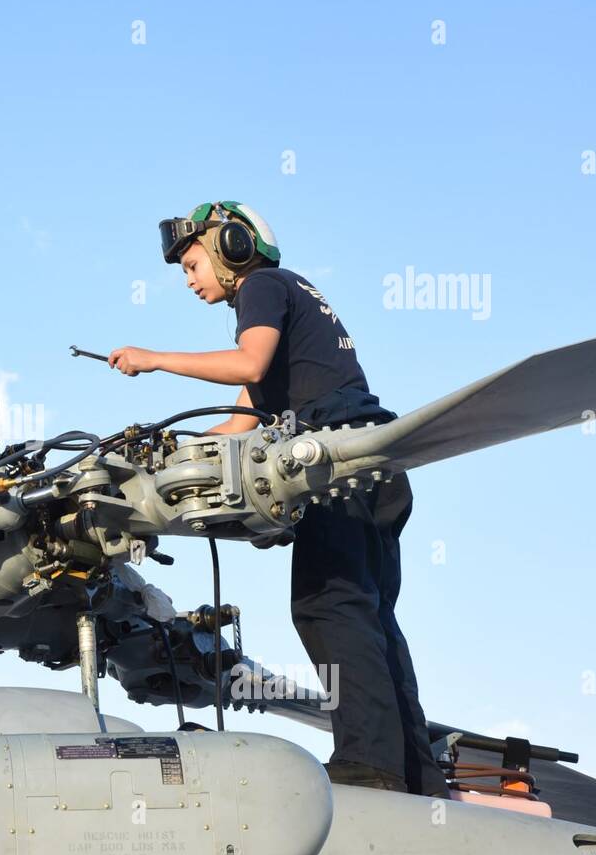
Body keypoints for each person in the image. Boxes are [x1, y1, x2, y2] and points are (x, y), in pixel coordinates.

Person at [107, 201, 448, 796]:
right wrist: (147, 461)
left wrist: (153, 359)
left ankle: (369, 765)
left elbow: (249, 360)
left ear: (230, 248)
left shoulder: (261, 287)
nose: (188, 279)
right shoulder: (290, 295)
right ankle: (414, 778)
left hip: (335, 466)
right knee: (371, 618)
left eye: (192, 264)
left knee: (329, 608)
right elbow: (241, 420)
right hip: (372, 470)